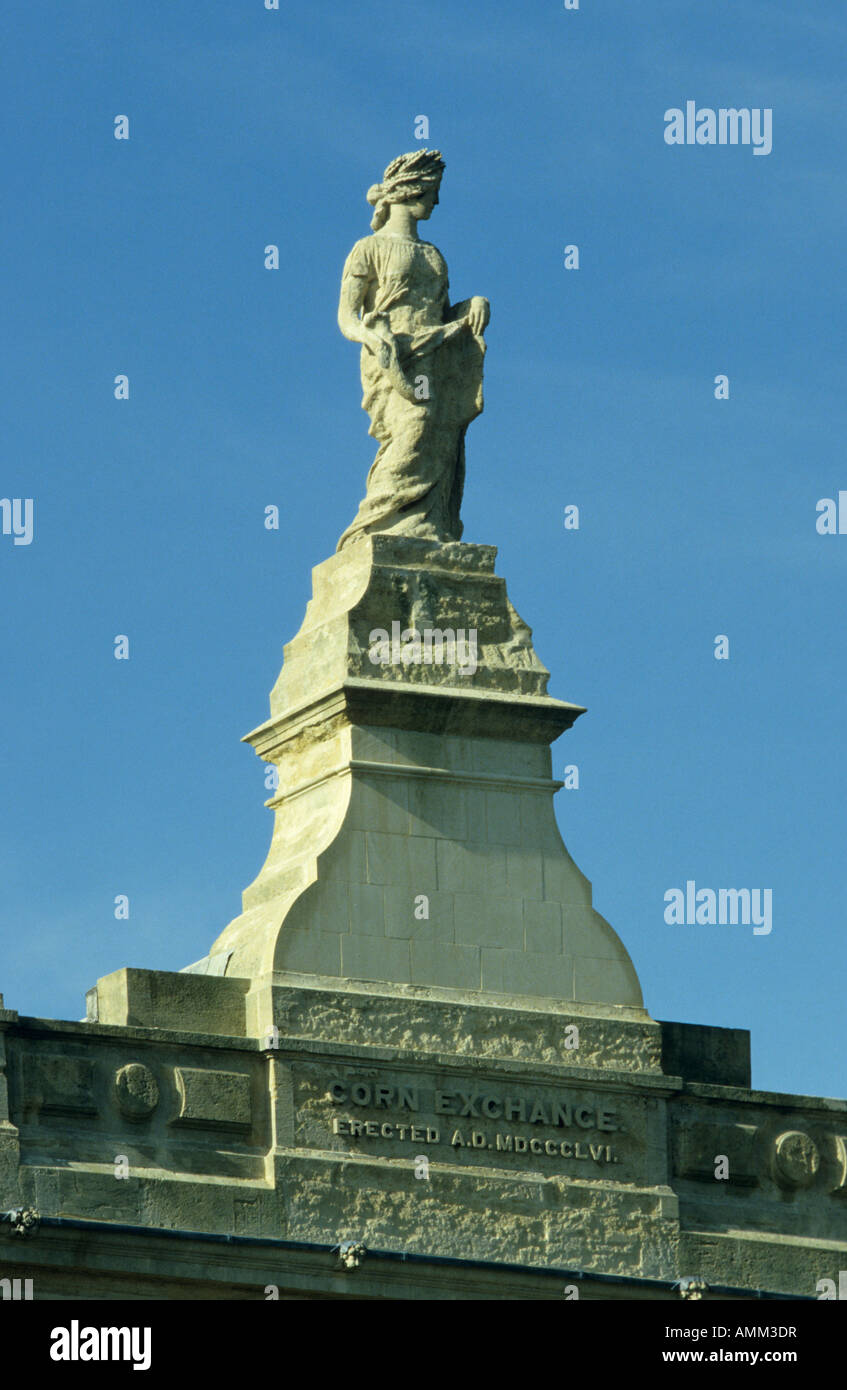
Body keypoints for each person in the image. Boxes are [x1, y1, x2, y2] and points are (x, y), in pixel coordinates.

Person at [336, 149, 490, 551]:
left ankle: (427, 527)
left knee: (441, 436)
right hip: (394, 355)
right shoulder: (367, 248)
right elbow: (347, 317)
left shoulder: (432, 254)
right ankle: (373, 526)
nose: (436, 202)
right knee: (413, 428)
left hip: (437, 354)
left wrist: (472, 306)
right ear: (410, 190)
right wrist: (372, 338)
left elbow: (441, 312)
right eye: (432, 192)